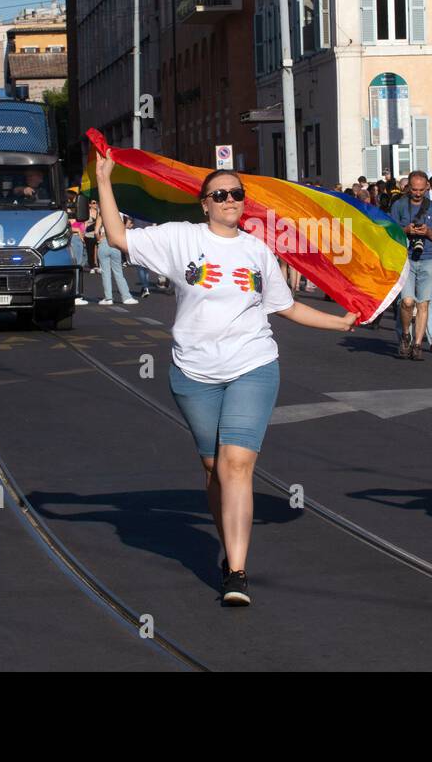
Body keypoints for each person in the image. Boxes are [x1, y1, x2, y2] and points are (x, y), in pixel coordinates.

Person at [94, 151, 355, 605]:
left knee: (236, 465)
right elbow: (118, 236)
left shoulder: (258, 250)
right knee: (214, 468)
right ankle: (229, 545)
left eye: (237, 194)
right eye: (221, 194)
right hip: (193, 370)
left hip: (253, 364)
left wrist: (339, 322)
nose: (230, 200)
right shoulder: (179, 239)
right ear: (205, 204)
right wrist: (104, 179)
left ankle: (236, 571)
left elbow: (285, 307)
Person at [390, 171, 432, 360]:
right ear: (408, 188)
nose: (418, 193)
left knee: (423, 304)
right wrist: (406, 230)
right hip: (406, 259)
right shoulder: (399, 205)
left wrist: (427, 232)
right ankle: (406, 334)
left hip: (429, 258)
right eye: (414, 189)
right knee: (407, 302)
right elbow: (390, 233)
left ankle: (418, 344)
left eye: (421, 190)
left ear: (427, 187)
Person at [95, 202, 138, 306]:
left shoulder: (101, 214)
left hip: (104, 242)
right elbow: (125, 227)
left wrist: (99, 239)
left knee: (105, 273)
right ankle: (126, 297)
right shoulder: (118, 215)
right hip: (114, 243)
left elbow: (96, 231)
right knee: (118, 272)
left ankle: (108, 298)